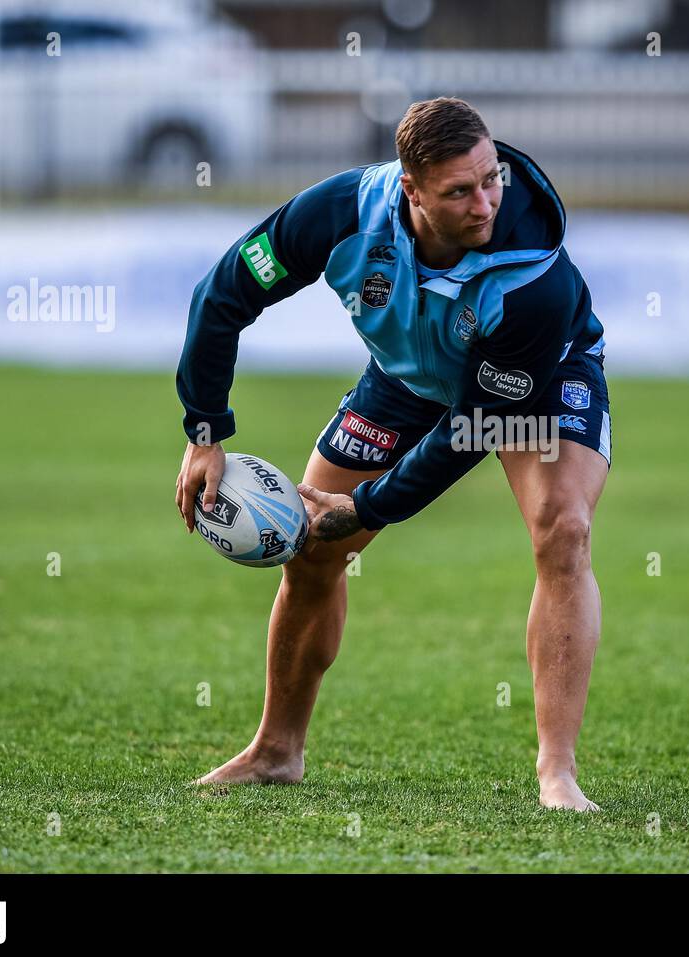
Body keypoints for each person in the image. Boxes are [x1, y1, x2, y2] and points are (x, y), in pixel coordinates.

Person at [175, 97, 610, 811]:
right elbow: (222, 295)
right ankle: (277, 752)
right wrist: (205, 433)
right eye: (460, 191)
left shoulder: (535, 279)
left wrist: (369, 507)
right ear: (411, 189)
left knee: (563, 530)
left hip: (537, 383)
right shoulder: (342, 212)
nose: (485, 205)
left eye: (491, 180)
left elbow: (476, 425)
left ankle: (556, 773)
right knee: (312, 551)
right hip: (406, 378)